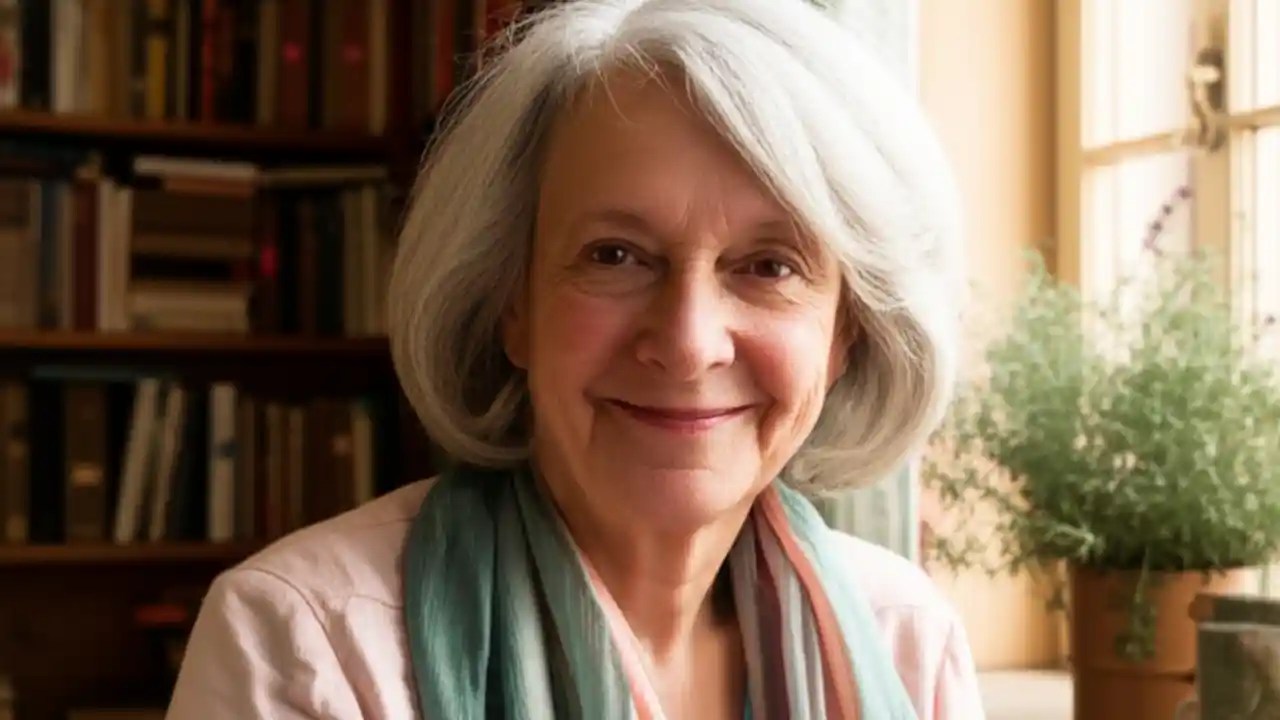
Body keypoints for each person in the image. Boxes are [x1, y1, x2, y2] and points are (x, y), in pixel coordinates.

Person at [165, 0, 983, 717]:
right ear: (510, 302)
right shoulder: (310, 640)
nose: (690, 342)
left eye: (769, 267)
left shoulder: (905, 638)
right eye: (615, 256)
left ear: (846, 332)